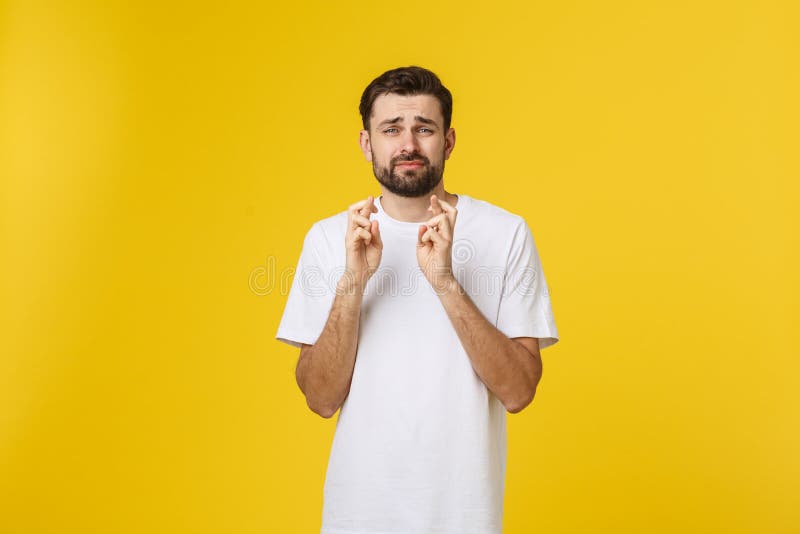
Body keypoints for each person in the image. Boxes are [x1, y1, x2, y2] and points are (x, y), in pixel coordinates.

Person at [276, 66, 559, 534]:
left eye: (423, 128)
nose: (408, 144)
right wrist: (353, 281)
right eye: (391, 129)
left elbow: (518, 391)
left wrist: (446, 282)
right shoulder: (330, 239)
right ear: (368, 143)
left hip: (464, 519)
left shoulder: (505, 233)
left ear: (447, 141)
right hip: (357, 518)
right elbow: (321, 399)